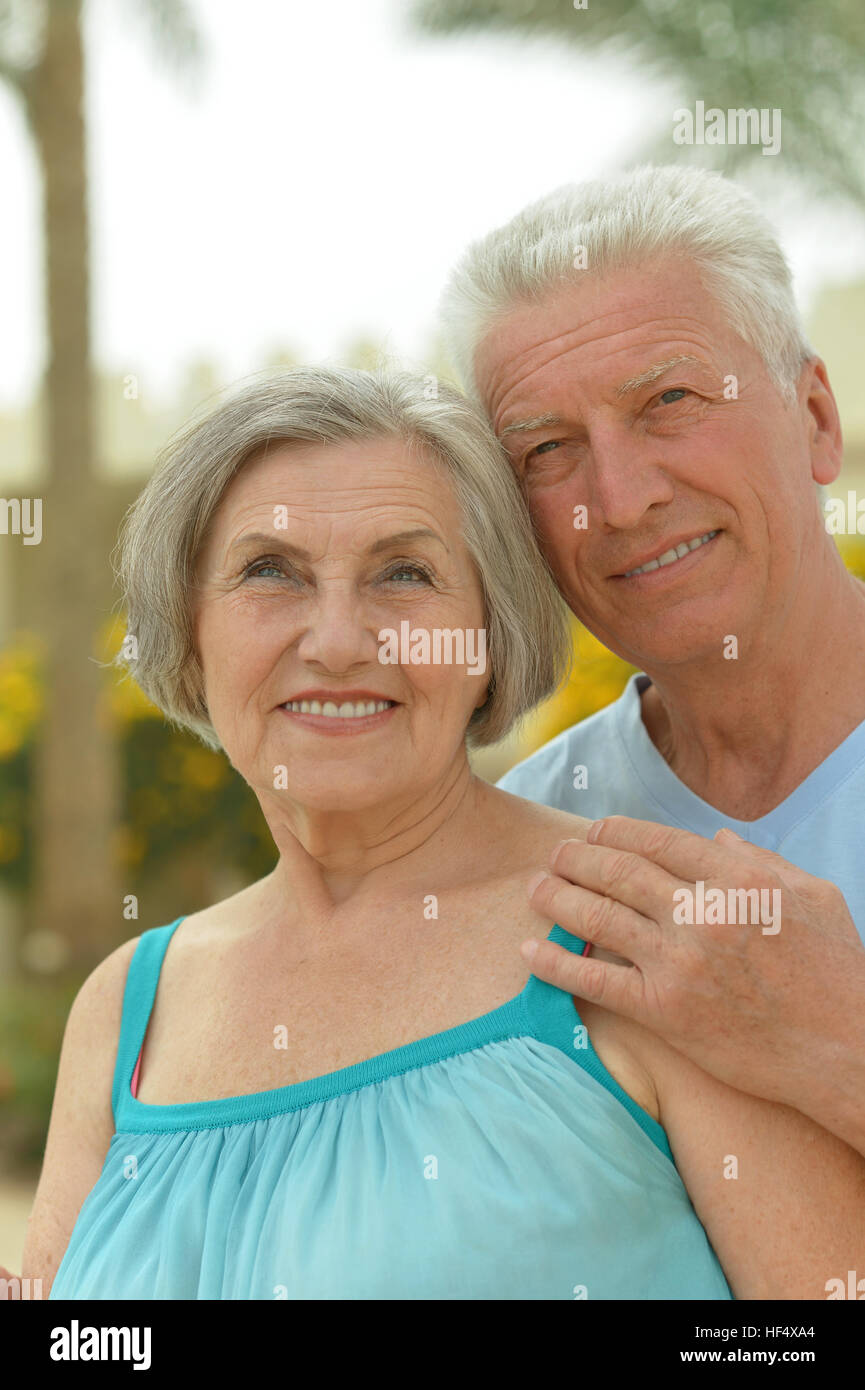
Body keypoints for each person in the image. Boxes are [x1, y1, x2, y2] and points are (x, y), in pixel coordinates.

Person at [18, 367, 865, 1300]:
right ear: (187, 632)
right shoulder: (128, 1004)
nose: (339, 640)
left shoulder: (650, 932)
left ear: (490, 636)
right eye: (270, 572)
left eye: (404, 574)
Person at [438, 164, 865, 1157]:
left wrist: (838, 1043)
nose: (621, 499)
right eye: (545, 450)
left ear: (813, 418)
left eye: (668, 399)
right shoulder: (530, 846)